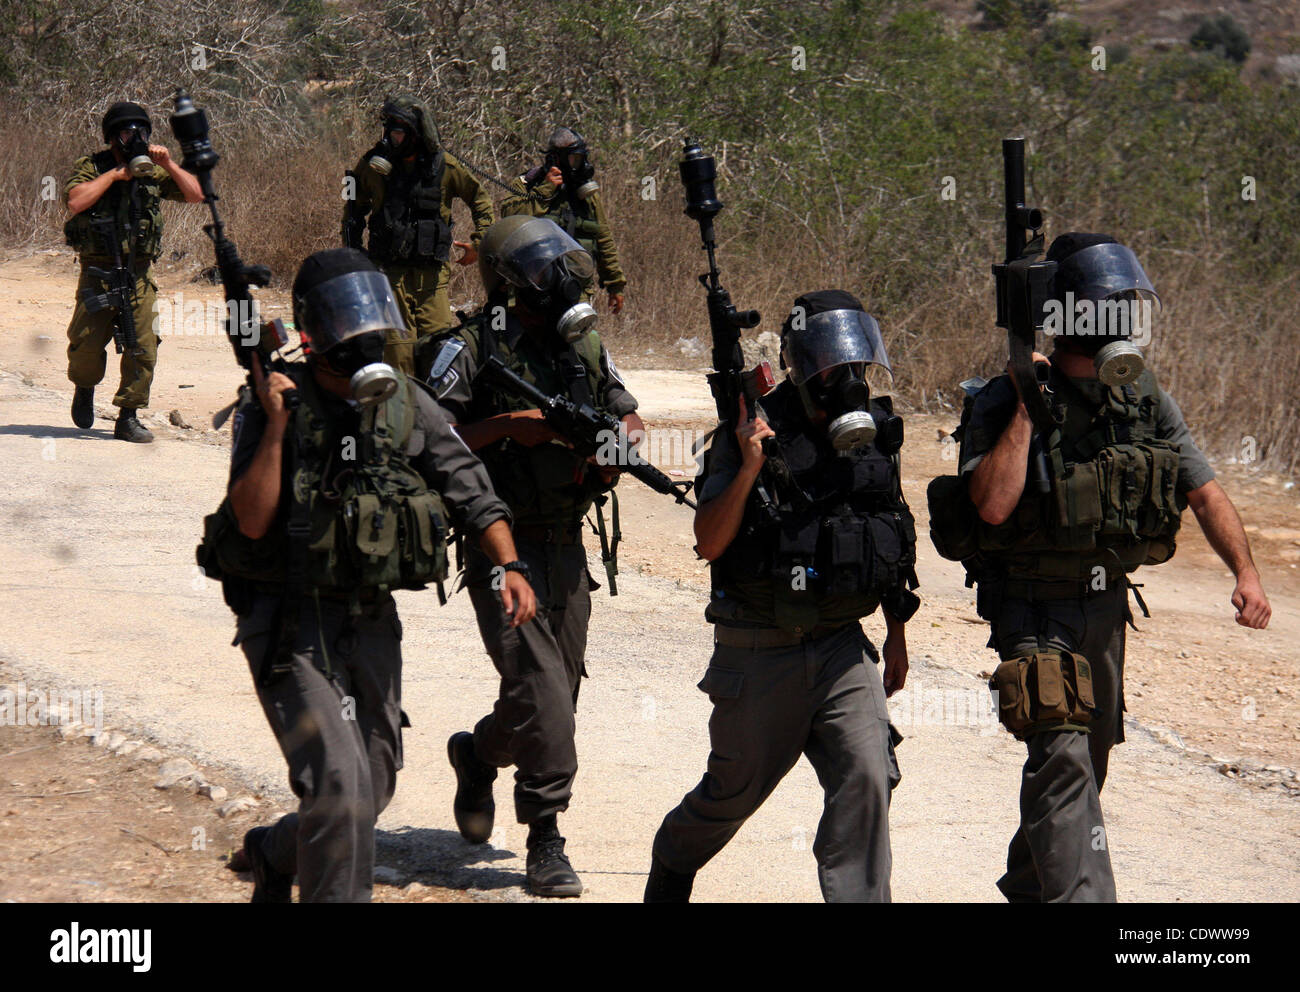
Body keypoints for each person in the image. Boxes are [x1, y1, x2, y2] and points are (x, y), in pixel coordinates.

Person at [937, 232, 1271, 902]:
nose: (1117, 321)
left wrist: (1246, 573)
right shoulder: (1004, 399)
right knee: (1061, 757)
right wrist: (1028, 402)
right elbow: (994, 508)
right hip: (1032, 609)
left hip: (1103, 611)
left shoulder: (1141, 395)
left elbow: (1202, 489)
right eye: (1102, 307)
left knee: (1086, 765)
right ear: (1066, 317)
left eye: (1123, 306)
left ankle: (1032, 889)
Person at [202, 247, 535, 902]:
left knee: (372, 784)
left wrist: (511, 564)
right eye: (342, 321)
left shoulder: (402, 403)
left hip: (368, 617)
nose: (359, 335)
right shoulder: (273, 399)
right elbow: (249, 517)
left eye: (368, 316)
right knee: (338, 785)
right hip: (290, 623)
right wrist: (273, 426)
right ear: (312, 332)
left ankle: (276, 852)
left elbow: (469, 484)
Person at [645, 290, 918, 903]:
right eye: (829, 365)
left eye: (854, 365)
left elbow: (893, 531)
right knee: (730, 796)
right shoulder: (749, 431)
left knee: (869, 776)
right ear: (801, 366)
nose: (845, 380)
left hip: (843, 648)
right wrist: (746, 465)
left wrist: (896, 633)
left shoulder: (875, 434)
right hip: (759, 649)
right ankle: (673, 862)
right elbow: (710, 541)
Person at [425, 216, 644, 897]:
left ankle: (477, 753)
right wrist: (510, 428)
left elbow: (625, 410)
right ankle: (545, 835)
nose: (565, 280)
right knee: (545, 695)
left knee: (555, 696)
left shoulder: (582, 341)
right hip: (501, 544)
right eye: (549, 270)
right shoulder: (469, 347)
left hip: (565, 542)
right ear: (513, 282)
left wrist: (617, 447)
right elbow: (434, 437)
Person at [64, 101, 203, 442]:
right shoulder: (93, 166)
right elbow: (75, 201)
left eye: (141, 132)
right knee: (85, 346)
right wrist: (115, 175)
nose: (136, 138)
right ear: (113, 138)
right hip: (98, 271)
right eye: (128, 133)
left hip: (138, 272)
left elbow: (196, 194)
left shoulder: (151, 172)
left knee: (143, 345)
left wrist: (167, 162)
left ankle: (128, 415)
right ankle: (85, 387)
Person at [342, 96, 494, 377]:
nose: (390, 139)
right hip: (390, 276)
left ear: (415, 135)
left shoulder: (444, 167)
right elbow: (353, 211)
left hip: (432, 278)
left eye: (398, 133)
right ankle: (403, 414)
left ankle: (438, 417)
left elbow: (480, 199)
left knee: (440, 355)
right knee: (399, 355)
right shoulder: (373, 167)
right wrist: (354, 256)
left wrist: (479, 243)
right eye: (388, 131)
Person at [500, 126, 625, 315]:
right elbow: (510, 217)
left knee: (579, 341)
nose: (580, 165)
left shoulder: (587, 196)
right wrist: (545, 191)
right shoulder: (528, 184)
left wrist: (615, 285)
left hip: (576, 289)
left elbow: (603, 239)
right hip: (534, 288)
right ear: (556, 159)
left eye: (582, 159)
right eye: (574, 159)